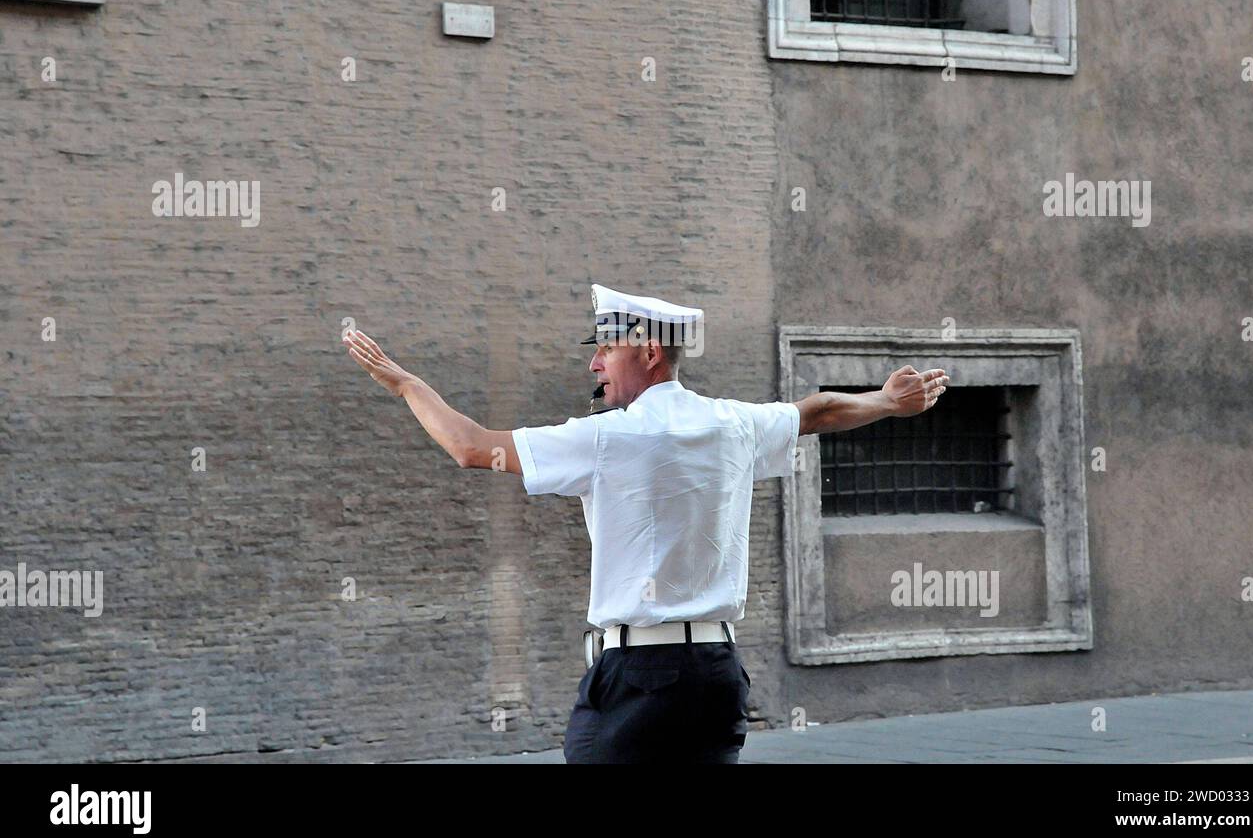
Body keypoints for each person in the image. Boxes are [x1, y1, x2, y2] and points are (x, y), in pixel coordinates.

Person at [343, 284, 948, 762]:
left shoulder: (610, 437)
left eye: (604, 350)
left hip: (639, 680)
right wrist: (887, 401)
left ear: (650, 353)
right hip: (716, 675)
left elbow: (471, 448)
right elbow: (815, 411)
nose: (594, 366)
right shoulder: (731, 424)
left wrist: (408, 385)